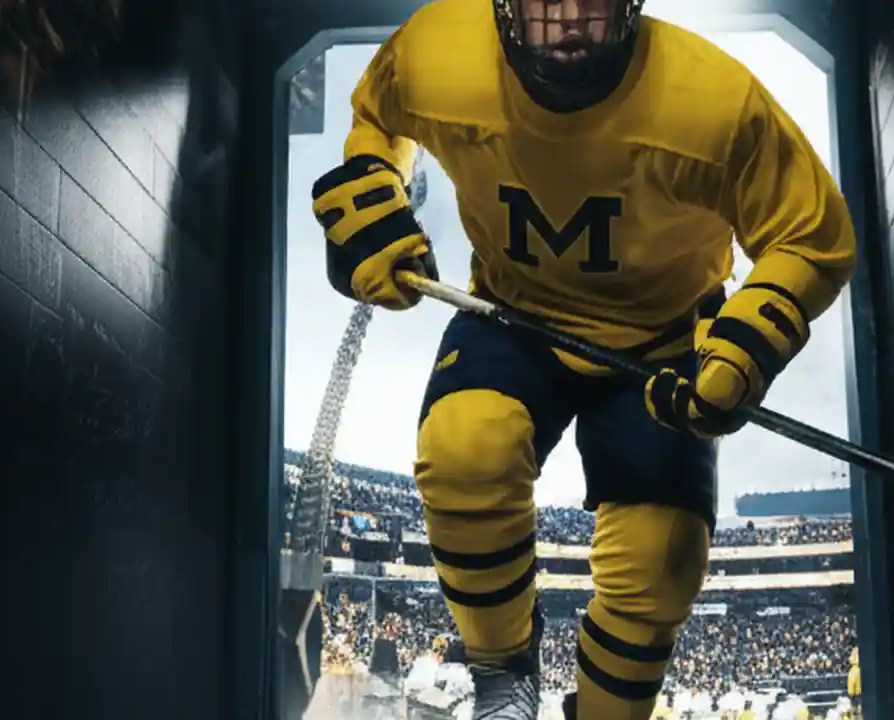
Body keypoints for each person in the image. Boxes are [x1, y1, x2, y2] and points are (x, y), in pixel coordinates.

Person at [311, 1, 856, 717]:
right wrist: (374, 182)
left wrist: (746, 341)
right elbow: (377, 115)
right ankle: (504, 673)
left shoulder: (714, 103)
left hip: (661, 337)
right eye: (548, 8)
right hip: (514, 310)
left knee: (662, 561)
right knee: (464, 451)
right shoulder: (439, 54)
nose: (569, 27)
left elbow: (812, 235)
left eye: (590, 8)